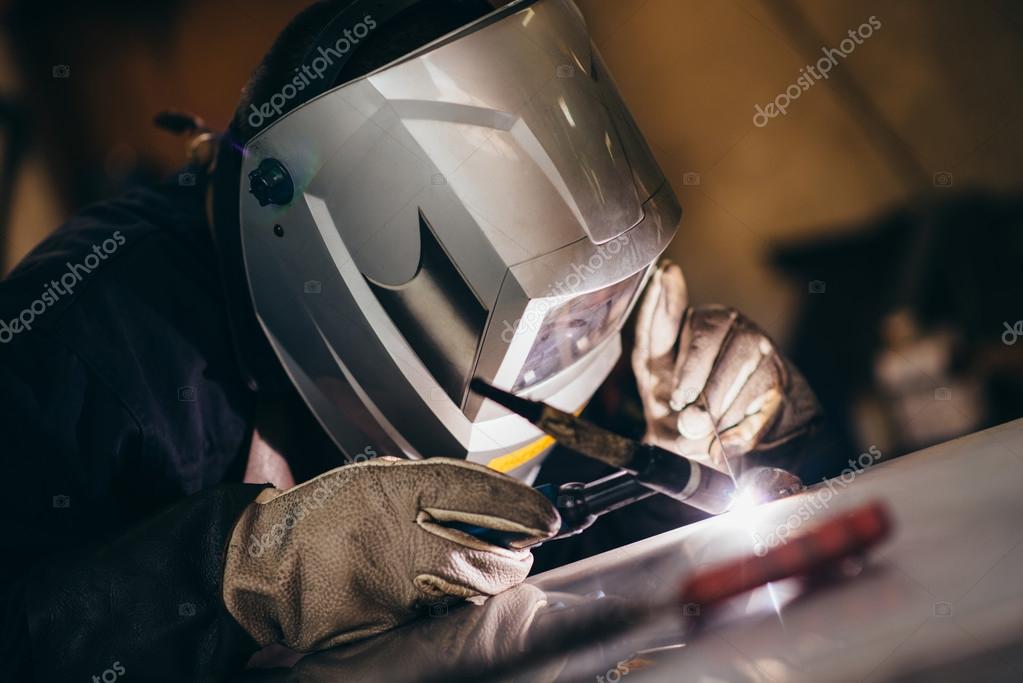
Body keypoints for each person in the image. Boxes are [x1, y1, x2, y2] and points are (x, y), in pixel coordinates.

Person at [0, 1, 820, 680]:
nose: (578, 349)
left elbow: (573, 579)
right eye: (563, 321)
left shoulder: (539, 328)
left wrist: (675, 471)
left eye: (599, 308)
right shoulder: (94, 339)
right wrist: (240, 575)